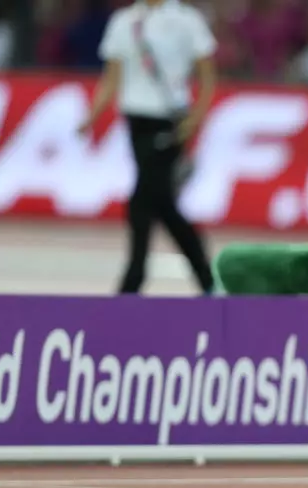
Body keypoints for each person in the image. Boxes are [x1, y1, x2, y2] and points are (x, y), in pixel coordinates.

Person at [79, 0, 216, 295]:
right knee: (163, 204)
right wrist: (91, 117)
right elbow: (112, 78)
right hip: (136, 122)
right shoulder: (124, 21)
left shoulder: (186, 20)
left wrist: (195, 118)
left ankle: (133, 280)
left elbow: (206, 75)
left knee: (143, 201)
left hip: (169, 122)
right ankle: (205, 277)